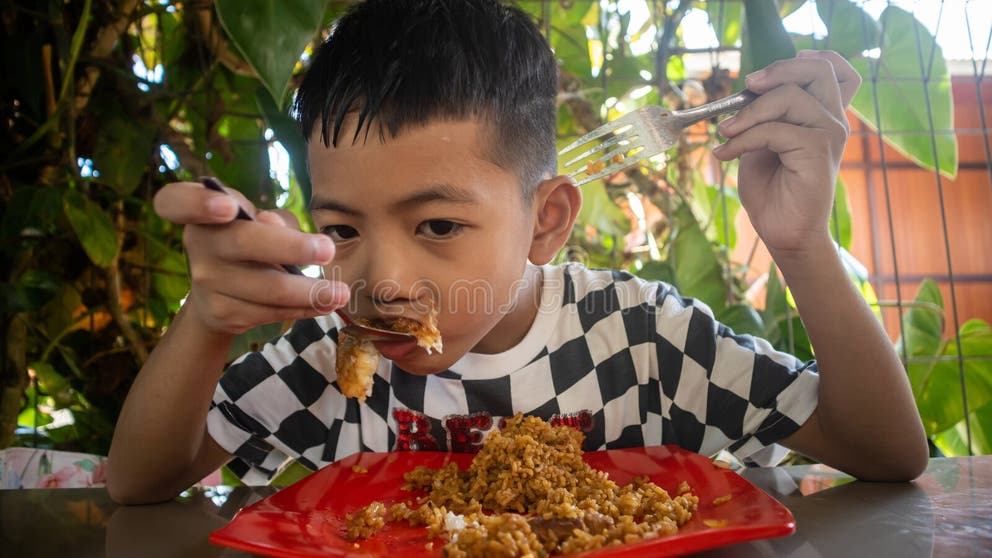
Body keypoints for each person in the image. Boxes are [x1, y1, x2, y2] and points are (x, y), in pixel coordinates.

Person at [106, 0, 928, 504]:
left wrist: (802, 244)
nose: (384, 283)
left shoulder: (639, 341)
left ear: (546, 220)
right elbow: (143, 484)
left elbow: (885, 454)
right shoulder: (327, 356)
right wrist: (208, 320)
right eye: (345, 230)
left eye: (437, 227)